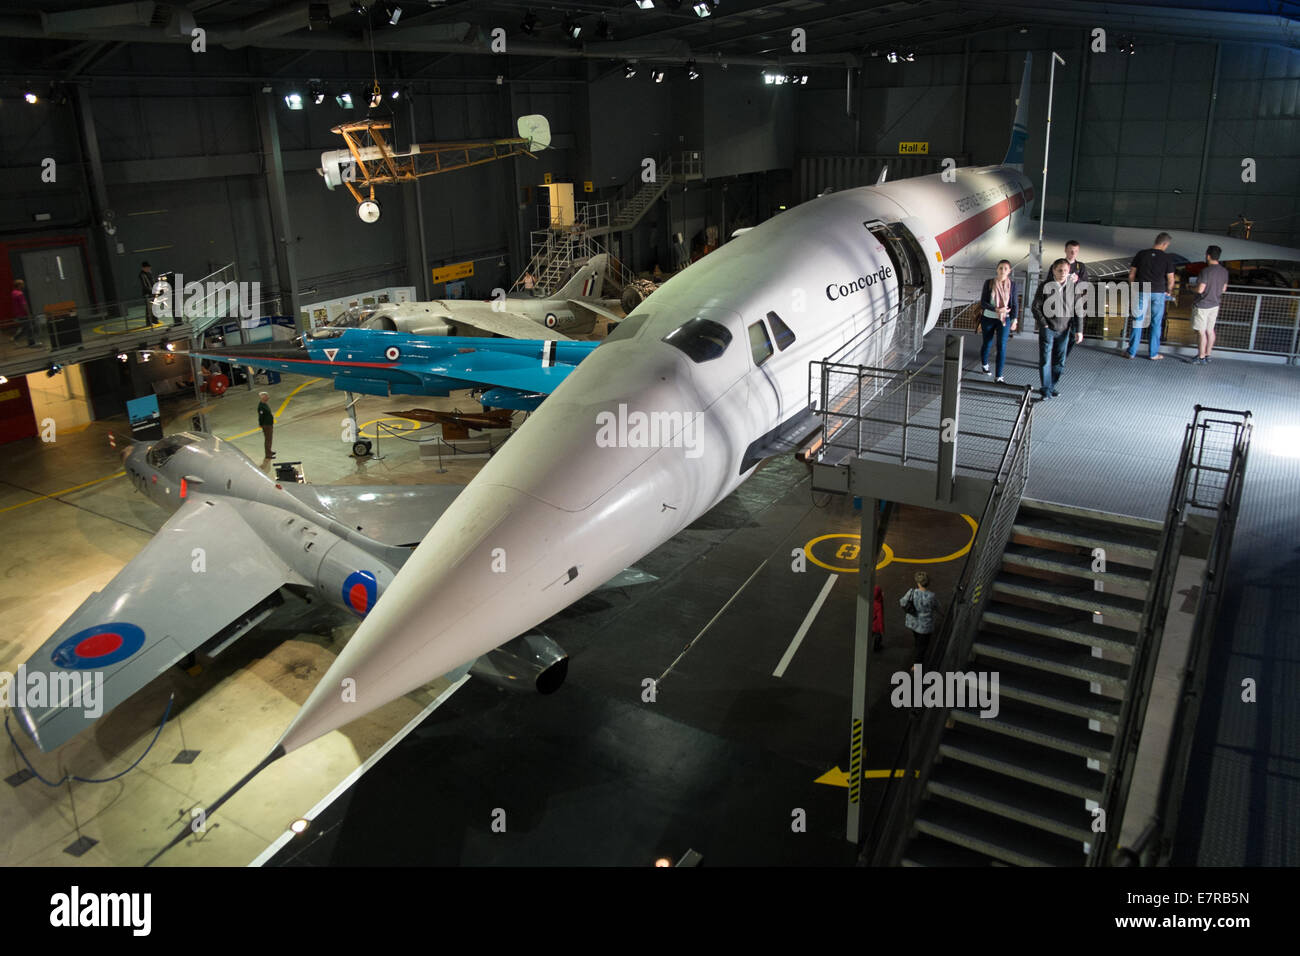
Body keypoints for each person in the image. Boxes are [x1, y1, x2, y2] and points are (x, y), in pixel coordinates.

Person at [1032, 258, 1083, 399]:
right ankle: (1046, 389)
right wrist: (1044, 324)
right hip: (1048, 329)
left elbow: (1078, 310)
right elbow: (1035, 307)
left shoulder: (1073, 288)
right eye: (1060, 270)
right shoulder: (1045, 286)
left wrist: (1079, 330)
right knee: (1045, 360)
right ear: (1054, 270)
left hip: (1064, 330)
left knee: (1059, 361)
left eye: (1065, 270)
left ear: (1069, 272)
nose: (1062, 273)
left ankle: (1051, 386)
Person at [1127, 233, 1176, 360]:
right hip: (1159, 292)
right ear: (1165, 244)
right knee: (1156, 323)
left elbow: (1132, 274)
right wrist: (1169, 291)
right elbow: (1171, 279)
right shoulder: (1167, 258)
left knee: (1138, 321)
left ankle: (1131, 352)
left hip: (1142, 290)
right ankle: (1153, 354)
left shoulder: (1141, 254)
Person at [978, 259, 1019, 382]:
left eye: (1005, 268)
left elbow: (1015, 303)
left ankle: (999, 376)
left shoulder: (1013, 285)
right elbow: (983, 302)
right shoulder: (989, 283)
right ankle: (985, 364)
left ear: (1009, 271)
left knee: (1002, 345)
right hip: (989, 318)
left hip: (1004, 319)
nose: (1003, 271)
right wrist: (996, 309)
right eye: (1000, 268)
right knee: (987, 343)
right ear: (997, 269)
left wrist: (1014, 319)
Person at [1191, 245, 1229, 365]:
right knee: (1210, 330)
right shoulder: (1224, 271)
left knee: (1201, 332)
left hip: (1203, 304)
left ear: (1208, 256)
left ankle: (1201, 357)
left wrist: (1191, 288)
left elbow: (1200, 289)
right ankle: (1208, 354)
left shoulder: (1205, 271)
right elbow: (1223, 289)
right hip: (1215, 304)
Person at [900, 571, 939, 664]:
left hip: (913, 623)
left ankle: (917, 657)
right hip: (925, 626)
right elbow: (937, 606)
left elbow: (902, 602)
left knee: (918, 641)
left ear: (918, 582)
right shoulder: (931, 596)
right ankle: (916, 667)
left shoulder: (911, 592)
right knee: (923, 647)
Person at [1064, 240, 1088, 354]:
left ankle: (1062, 359)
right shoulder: (1059, 264)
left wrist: (1077, 280)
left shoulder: (1080, 266)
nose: (1073, 253)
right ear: (1066, 250)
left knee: (1072, 334)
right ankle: (1056, 359)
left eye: (1076, 251)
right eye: (1071, 251)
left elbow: (1086, 284)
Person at [10, 279, 36, 348]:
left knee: (25, 328)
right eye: (22, 284)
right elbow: (24, 304)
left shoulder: (13, 293)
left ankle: (14, 338)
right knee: (29, 328)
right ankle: (32, 343)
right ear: (19, 285)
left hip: (18, 314)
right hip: (23, 314)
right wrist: (29, 314)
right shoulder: (20, 293)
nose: (23, 285)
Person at [257, 391, 275, 459]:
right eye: (267, 396)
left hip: (269, 424)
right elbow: (261, 417)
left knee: (269, 439)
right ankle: (268, 454)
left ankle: (269, 451)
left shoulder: (264, 404)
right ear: (263, 397)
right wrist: (261, 424)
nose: (268, 397)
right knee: (268, 440)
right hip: (266, 425)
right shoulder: (261, 406)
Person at [872, 585, 885, 652]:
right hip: (876, 626)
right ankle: (876, 648)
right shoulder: (879, 604)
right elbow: (880, 617)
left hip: (871, 623)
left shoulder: (872, 601)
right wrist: (882, 629)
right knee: (878, 637)